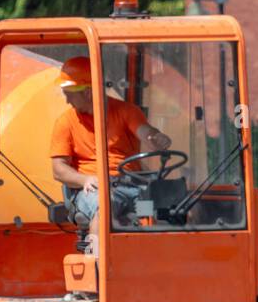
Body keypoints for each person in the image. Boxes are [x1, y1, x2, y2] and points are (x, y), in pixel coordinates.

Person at [49, 56, 171, 249]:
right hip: (92, 189)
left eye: (69, 94)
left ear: (88, 92)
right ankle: (98, 265)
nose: (66, 100)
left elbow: (144, 131)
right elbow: (58, 169)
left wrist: (154, 137)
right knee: (104, 206)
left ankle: (157, 264)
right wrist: (84, 180)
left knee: (163, 208)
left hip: (133, 186)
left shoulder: (125, 111)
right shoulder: (65, 122)